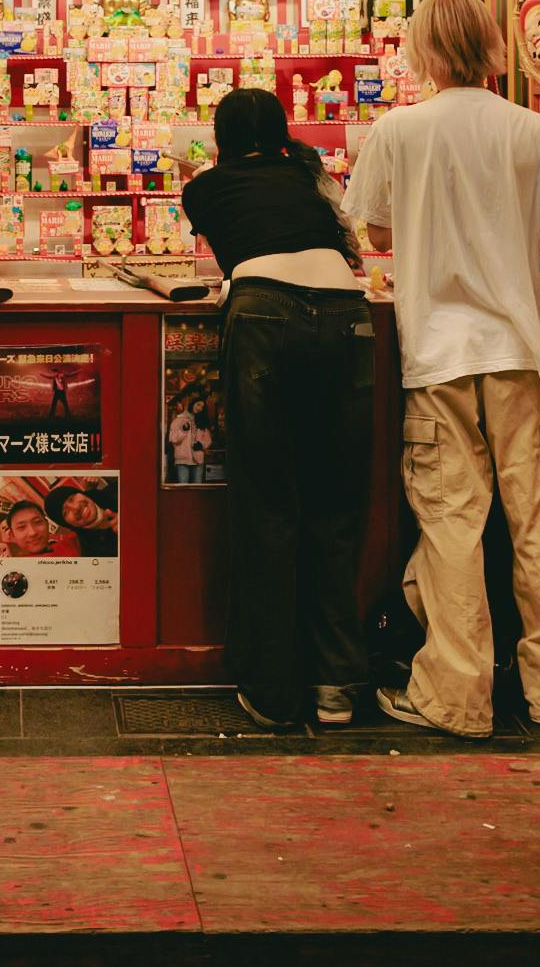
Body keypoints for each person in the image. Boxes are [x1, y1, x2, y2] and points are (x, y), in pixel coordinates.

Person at [342, 0, 540, 739]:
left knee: (451, 525)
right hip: (524, 353)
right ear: (491, 45)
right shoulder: (534, 129)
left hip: (437, 355)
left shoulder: (398, 130)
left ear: (422, 50)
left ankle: (456, 698)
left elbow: (376, 233)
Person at [181, 85, 373, 730]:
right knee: (337, 504)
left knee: (268, 505)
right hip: (347, 316)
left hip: (264, 313)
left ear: (222, 139)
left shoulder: (205, 188)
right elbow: (340, 247)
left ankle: (272, 691)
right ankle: (336, 686)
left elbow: (239, 251)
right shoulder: (310, 176)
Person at [44, 482, 118, 557]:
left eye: (72, 499)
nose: (76, 508)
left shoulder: (117, 490)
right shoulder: (94, 554)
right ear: (67, 524)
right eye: (65, 512)